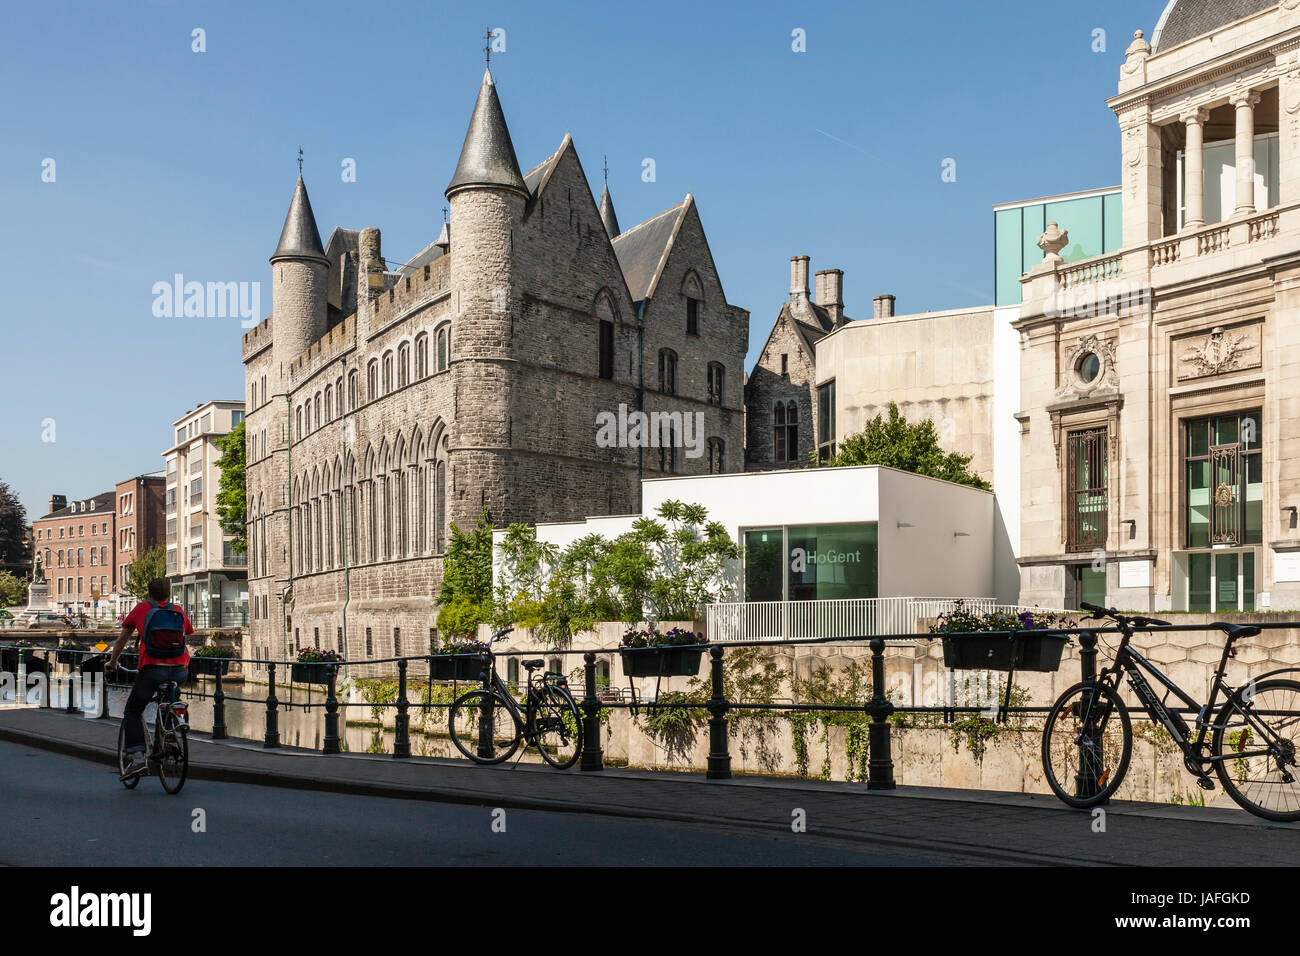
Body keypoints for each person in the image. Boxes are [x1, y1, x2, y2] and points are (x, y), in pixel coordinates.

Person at [108, 578, 192, 780]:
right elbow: (187, 632)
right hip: (180, 670)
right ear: (169, 593)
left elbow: (122, 639)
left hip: (153, 668)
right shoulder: (177, 610)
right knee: (167, 702)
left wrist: (112, 662)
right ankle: (169, 734)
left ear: (148, 592)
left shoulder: (141, 609)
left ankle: (138, 757)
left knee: (133, 710)